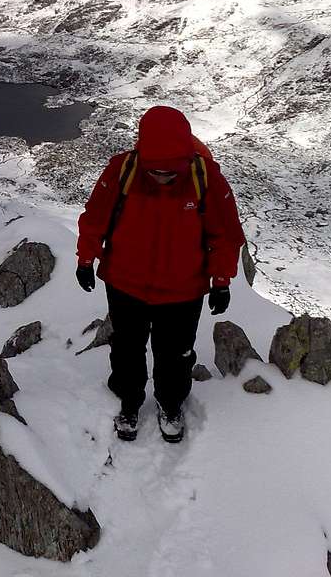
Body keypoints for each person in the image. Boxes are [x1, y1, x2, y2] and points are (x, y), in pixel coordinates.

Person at [75, 106, 246, 443]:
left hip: (183, 290)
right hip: (125, 283)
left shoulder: (205, 178)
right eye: (155, 172)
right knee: (126, 347)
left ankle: (170, 405)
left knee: (176, 353)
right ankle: (129, 401)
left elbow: (225, 236)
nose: (163, 178)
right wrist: (85, 259)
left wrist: (221, 281)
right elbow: (96, 216)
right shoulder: (122, 170)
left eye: (171, 173)